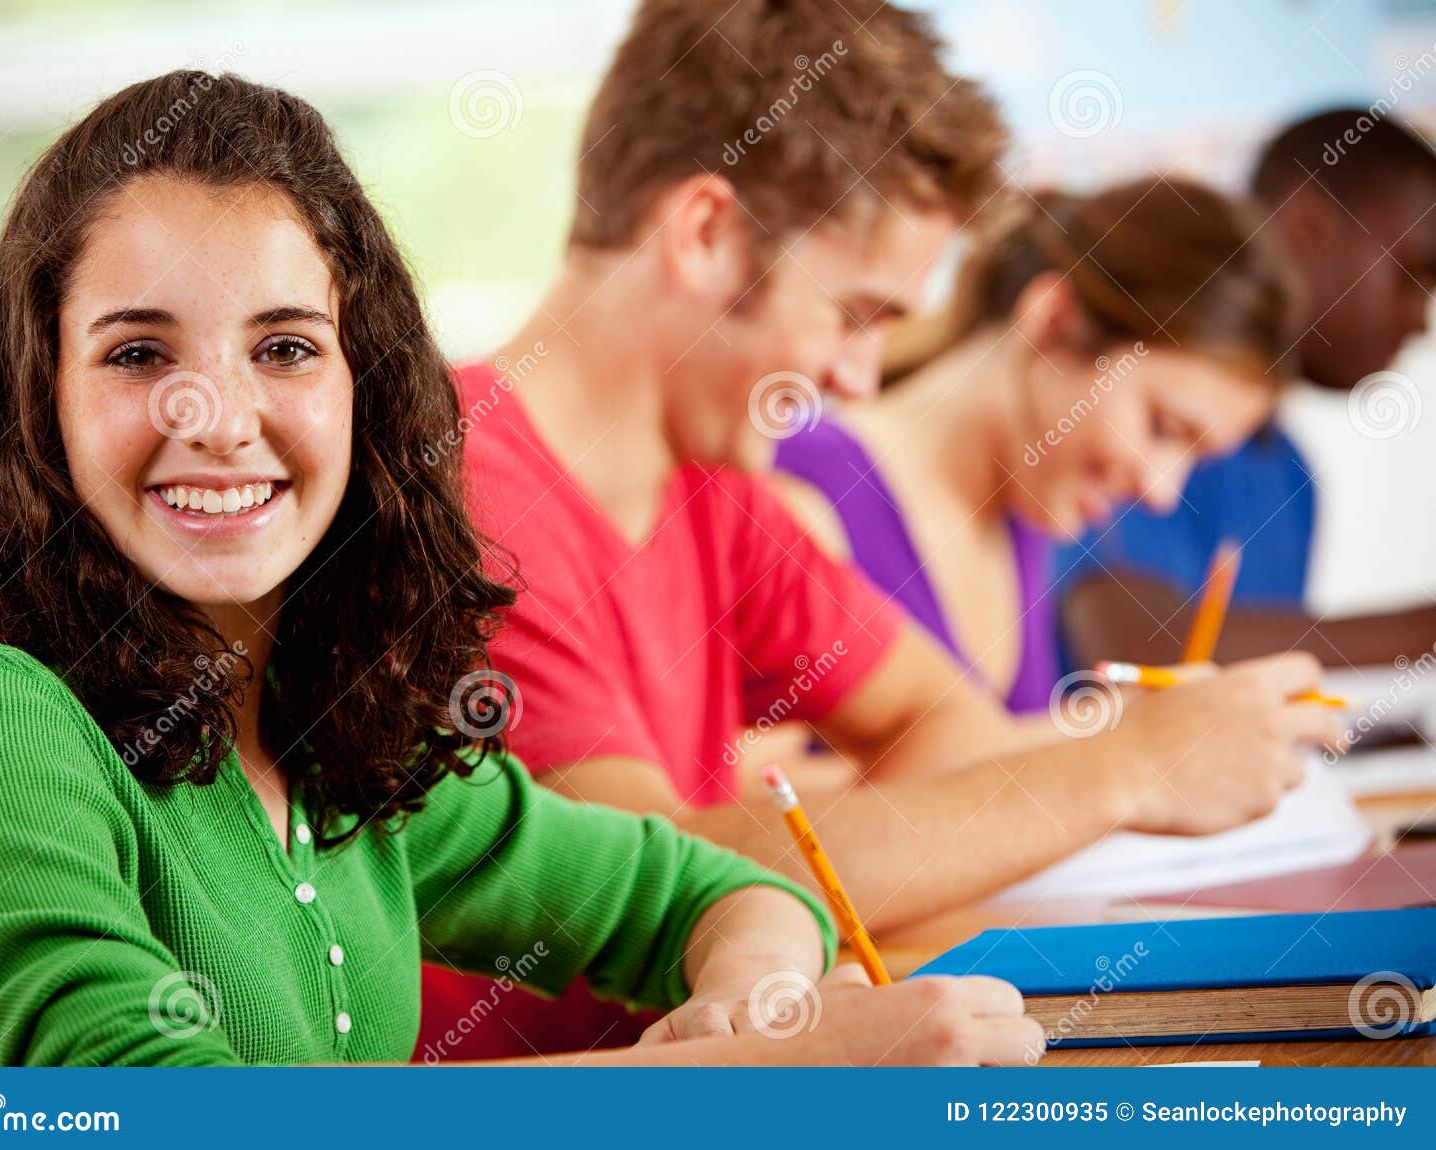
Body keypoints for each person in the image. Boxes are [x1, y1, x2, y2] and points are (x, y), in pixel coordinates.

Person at [0, 71, 1046, 1068]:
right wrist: (735, 1075)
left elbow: (724, 889)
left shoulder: (337, 740)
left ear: (365, 390)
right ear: (39, 404)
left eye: (287, 347)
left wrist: (755, 997)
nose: (216, 413)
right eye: (139, 350)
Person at [421, 0, 1338, 1059]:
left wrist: (855, 863)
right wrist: (1126, 769)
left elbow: (937, 717)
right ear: (706, 232)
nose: (856, 377)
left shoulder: (714, 485)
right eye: (855, 313)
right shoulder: (458, 502)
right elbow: (662, 878)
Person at [772, 178, 1300, 714]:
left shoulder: (1023, 516)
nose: (1162, 492)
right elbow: (741, 794)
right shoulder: (798, 496)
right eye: (1162, 427)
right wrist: (1132, 757)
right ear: (1052, 321)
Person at [1058, 109, 1436, 667]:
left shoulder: (1289, 476)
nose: (1421, 320)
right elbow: (1137, 653)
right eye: (1409, 275)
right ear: (1307, 229)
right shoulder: (1125, 421)